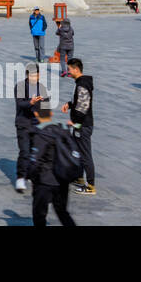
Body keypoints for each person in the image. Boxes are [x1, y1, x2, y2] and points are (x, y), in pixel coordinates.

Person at [28, 101, 77, 226]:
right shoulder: (63, 130)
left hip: (45, 181)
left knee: (39, 214)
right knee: (62, 212)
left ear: (36, 114)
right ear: (50, 113)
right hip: (62, 181)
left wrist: (31, 177)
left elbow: (35, 160)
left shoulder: (41, 133)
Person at [60, 58, 95, 195]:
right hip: (81, 124)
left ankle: (91, 185)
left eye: (69, 69)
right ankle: (79, 178)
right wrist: (69, 104)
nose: (68, 72)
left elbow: (83, 107)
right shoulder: (80, 83)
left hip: (83, 125)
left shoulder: (83, 85)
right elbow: (78, 101)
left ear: (76, 69)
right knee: (78, 152)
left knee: (85, 155)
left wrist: (75, 124)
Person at [12, 63, 47, 193]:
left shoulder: (41, 87)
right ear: (27, 75)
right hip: (23, 123)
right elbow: (20, 104)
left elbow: (46, 105)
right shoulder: (20, 86)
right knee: (24, 151)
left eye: (37, 76)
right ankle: (21, 177)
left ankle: (31, 174)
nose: (35, 78)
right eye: (32, 75)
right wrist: (30, 103)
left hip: (37, 124)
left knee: (35, 152)